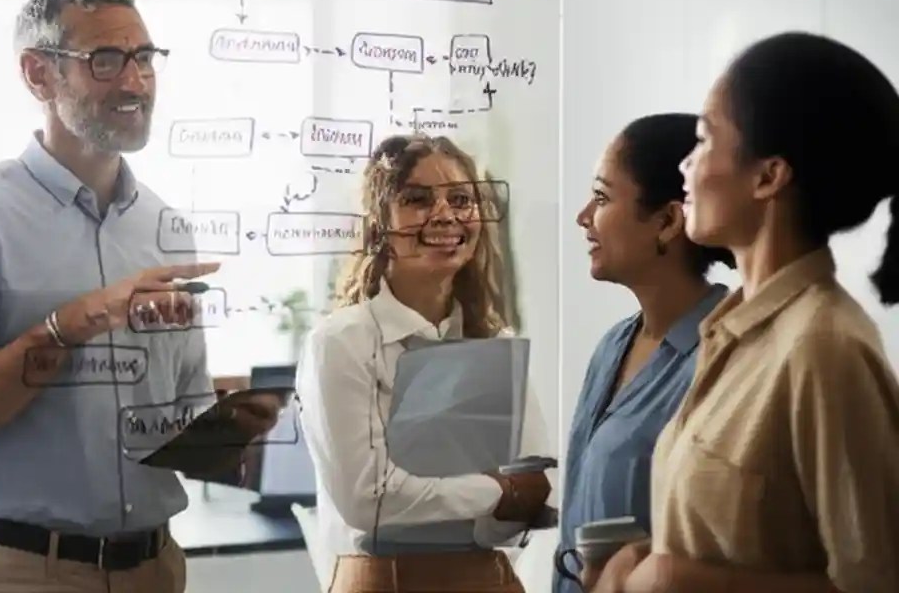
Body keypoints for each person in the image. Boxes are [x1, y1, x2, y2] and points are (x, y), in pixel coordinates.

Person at [0, 0, 278, 593]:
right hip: (17, 572)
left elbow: (177, 424)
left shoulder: (167, 227)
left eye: (145, 58)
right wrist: (73, 324)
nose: (135, 81)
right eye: (106, 60)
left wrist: (234, 431)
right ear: (39, 75)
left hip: (156, 569)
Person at [593, 31, 899, 593]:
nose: (686, 166)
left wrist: (681, 580)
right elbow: (744, 537)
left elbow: (876, 582)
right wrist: (642, 556)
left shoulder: (825, 348)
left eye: (705, 140)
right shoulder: (730, 332)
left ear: (768, 176)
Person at [296, 134, 554, 593]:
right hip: (384, 581)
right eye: (417, 200)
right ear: (379, 224)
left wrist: (504, 502)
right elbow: (369, 501)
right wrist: (498, 492)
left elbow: (539, 487)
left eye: (460, 199)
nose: (444, 215)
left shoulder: (495, 340)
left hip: (489, 579)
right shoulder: (342, 342)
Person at [556, 113, 733, 593]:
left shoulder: (726, 357)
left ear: (668, 220)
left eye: (601, 198)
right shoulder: (613, 345)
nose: (583, 218)